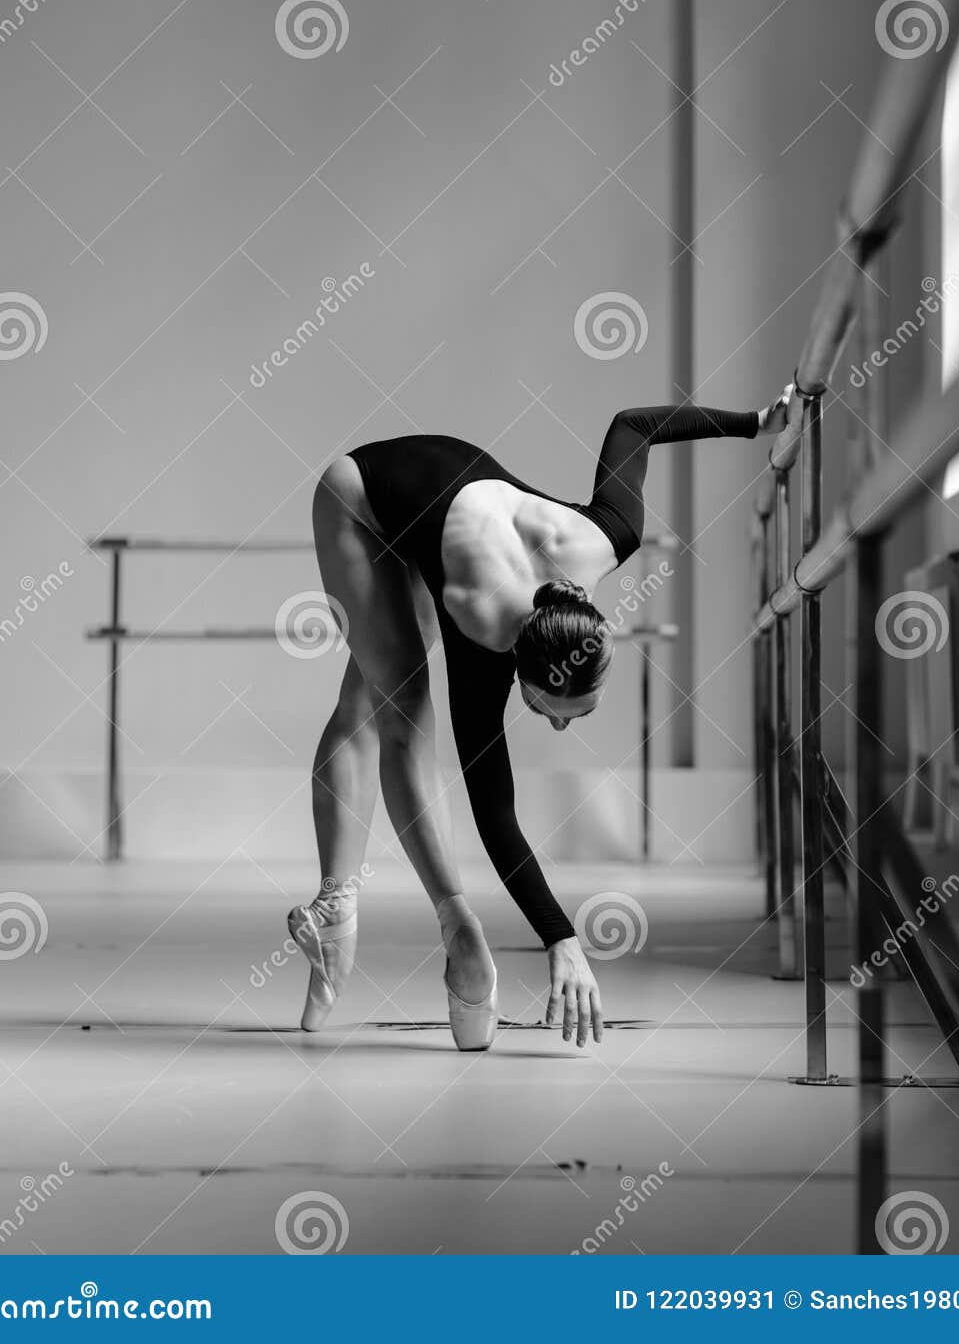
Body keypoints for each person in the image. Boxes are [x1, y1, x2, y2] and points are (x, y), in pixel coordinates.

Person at [289, 387, 794, 1051]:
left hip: (442, 492)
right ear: (512, 667)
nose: (558, 728)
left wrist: (757, 422)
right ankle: (455, 927)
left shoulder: (606, 535)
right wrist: (562, 937)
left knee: (364, 696)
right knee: (401, 705)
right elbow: (493, 810)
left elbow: (633, 425)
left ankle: (334, 908)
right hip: (359, 497)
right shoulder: (479, 624)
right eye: (552, 713)